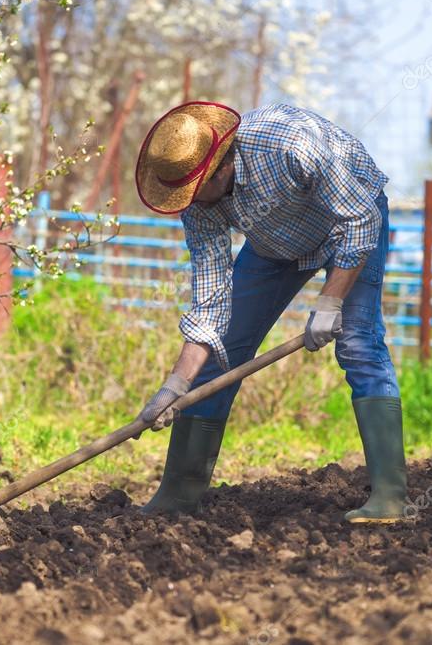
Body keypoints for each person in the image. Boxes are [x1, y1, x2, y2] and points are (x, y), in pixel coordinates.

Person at [134, 101, 406, 523]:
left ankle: (390, 497)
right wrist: (176, 384)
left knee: (357, 344)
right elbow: (210, 301)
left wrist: (331, 301)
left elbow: (360, 220)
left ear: (219, 169)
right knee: (219, 355)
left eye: (191, 191)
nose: (187, 202)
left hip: (348, 223)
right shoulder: (200, 207)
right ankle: (177, 496)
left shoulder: (290, 146)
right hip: (276, 244)